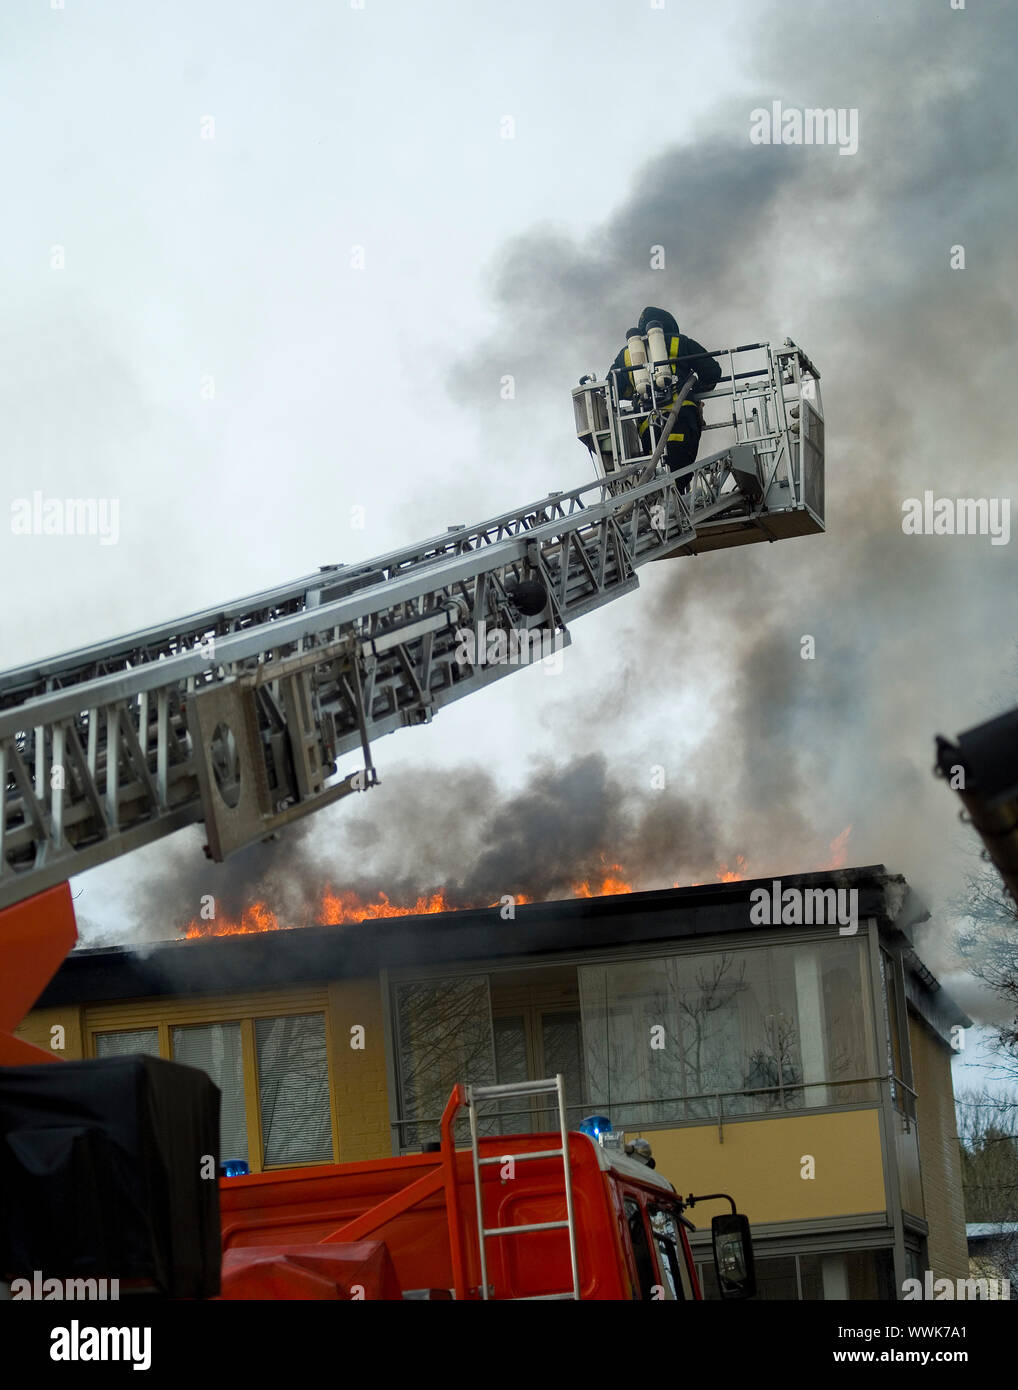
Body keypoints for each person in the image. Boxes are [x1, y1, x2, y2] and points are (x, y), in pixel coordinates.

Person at [608, 307, 722, 490]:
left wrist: (638, 394)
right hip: (682, 419)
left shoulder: (626, 354)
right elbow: (712, 372)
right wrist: (694, 390)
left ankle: (664, 508)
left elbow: (613, 391)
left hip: (648, 427)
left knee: (659, 480)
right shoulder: (680, 342)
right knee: (679, 478)